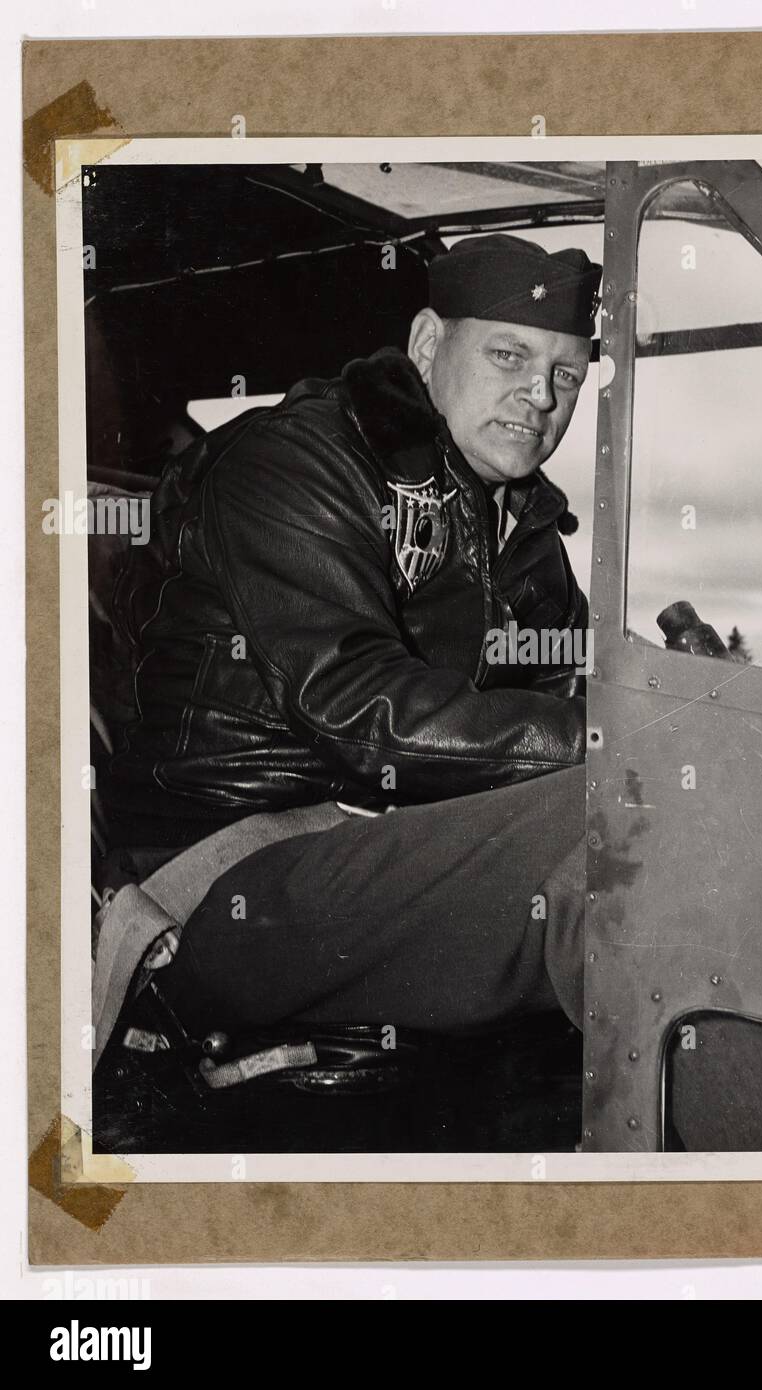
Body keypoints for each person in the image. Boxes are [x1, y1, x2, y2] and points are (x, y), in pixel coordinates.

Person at [103, 234, 602, 1054]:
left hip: (372, 843)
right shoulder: (298, 459)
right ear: (428, 345)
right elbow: (360, 706)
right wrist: (616, 740)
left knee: (656, 818)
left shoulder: (525, 525)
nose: (539, 396)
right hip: (221, 875)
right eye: (509, 356)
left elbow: (543, 705)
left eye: (566, 375)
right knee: (610, 820)